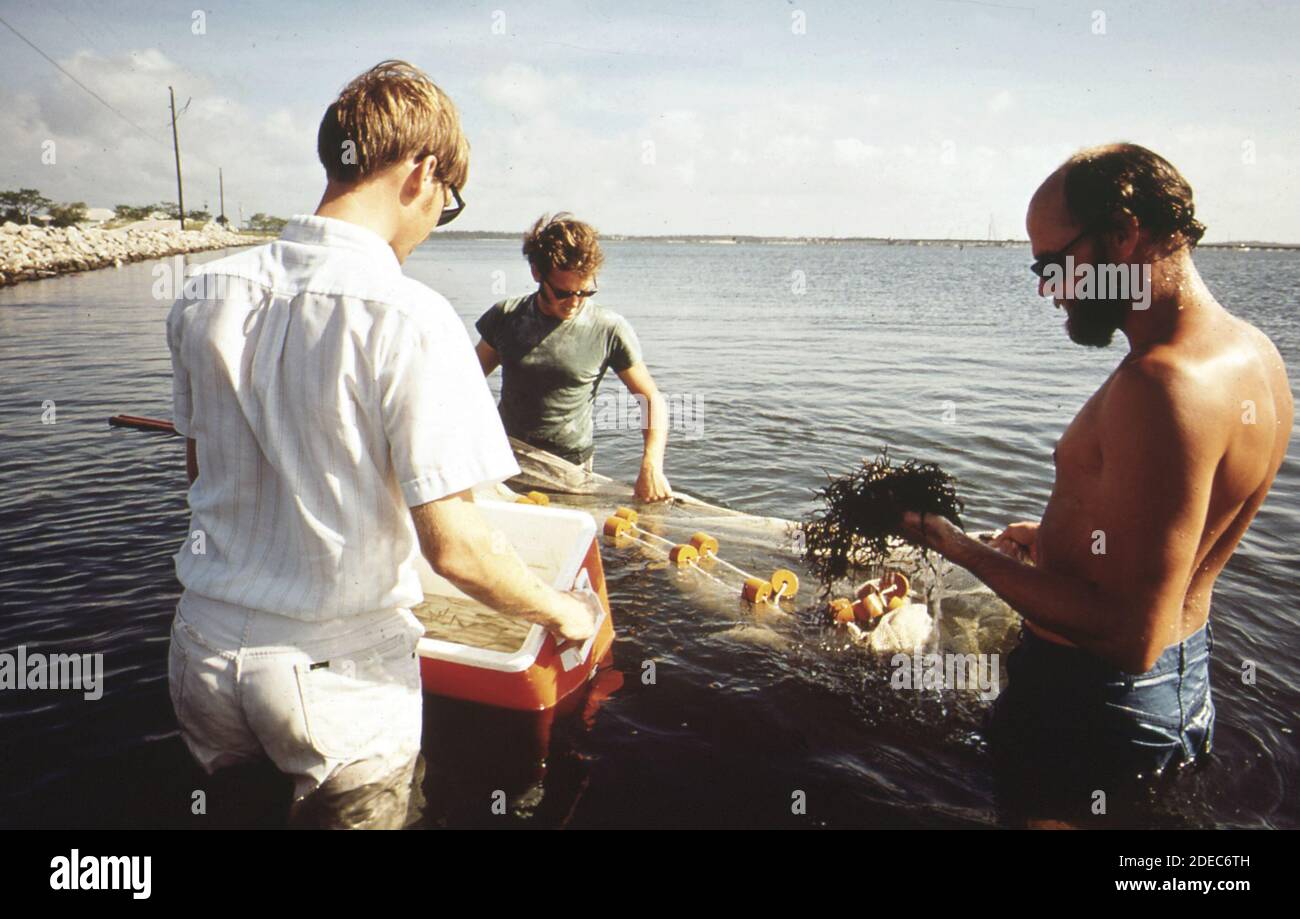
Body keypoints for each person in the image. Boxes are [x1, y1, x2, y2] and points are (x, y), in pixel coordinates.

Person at [165, 60, 598, 829]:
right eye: (449, 202)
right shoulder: (411, 316)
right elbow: (457, 549)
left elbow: (202, 469)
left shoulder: (205, 291)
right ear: (423, 172)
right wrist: (563, 612)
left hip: (201, 652)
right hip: (336, 682)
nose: (437, 219)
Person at [900, 143, 1293, 821]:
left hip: (1091, 710)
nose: (1047, 288)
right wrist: (1060, 538)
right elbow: (1172, 547)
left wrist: (960, 548)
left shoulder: (1160, 383)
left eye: (1054, 264)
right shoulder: (1253, 354)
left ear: (1121, 233)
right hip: (1179, 686)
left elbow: (1127, 632)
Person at [473, 214, 673, 502]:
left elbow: (651, 398)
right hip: (506, 458)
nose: (575, 301)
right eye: (565, 293)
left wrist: (651, 464)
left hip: (571, 468)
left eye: (585, 292)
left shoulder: (608, 328)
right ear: (536, 273)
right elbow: (465, 380)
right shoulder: (506, 317)